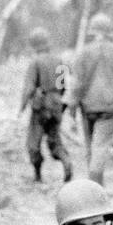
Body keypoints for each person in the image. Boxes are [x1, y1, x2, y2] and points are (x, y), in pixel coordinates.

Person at [68, 12, 113, 186]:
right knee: (100, 146)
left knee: (90, 147)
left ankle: (93, 185)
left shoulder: (84, 53)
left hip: (87, 107)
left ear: (92, 32)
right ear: (110, 32)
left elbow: (76, 83)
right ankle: (96, 185)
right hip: (110, 108)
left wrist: (72, 108)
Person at [18, 27, 72, 183]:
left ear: (34, 45)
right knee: (55, 140)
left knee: (33, 143)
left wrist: (21, 107)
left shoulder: (35, 62)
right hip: (57, 106)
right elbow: (64, 86)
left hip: (41, 107)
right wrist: (58, 103)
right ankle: (67, 164)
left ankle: (37, 176)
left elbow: (29, 87)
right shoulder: (60, 61)